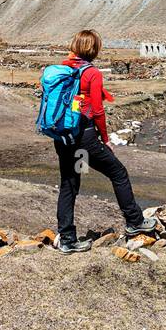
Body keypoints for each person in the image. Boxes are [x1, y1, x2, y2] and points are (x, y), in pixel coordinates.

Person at [51, 30, 156, 253]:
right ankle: (135, 221)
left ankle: (67, 238)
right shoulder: (92, 73)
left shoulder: (64, 69)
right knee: (118, 173)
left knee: (69, 183)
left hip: (64, 137)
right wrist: (105, 139)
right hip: (85, 138)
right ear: (95, 49)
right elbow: (97, 110)